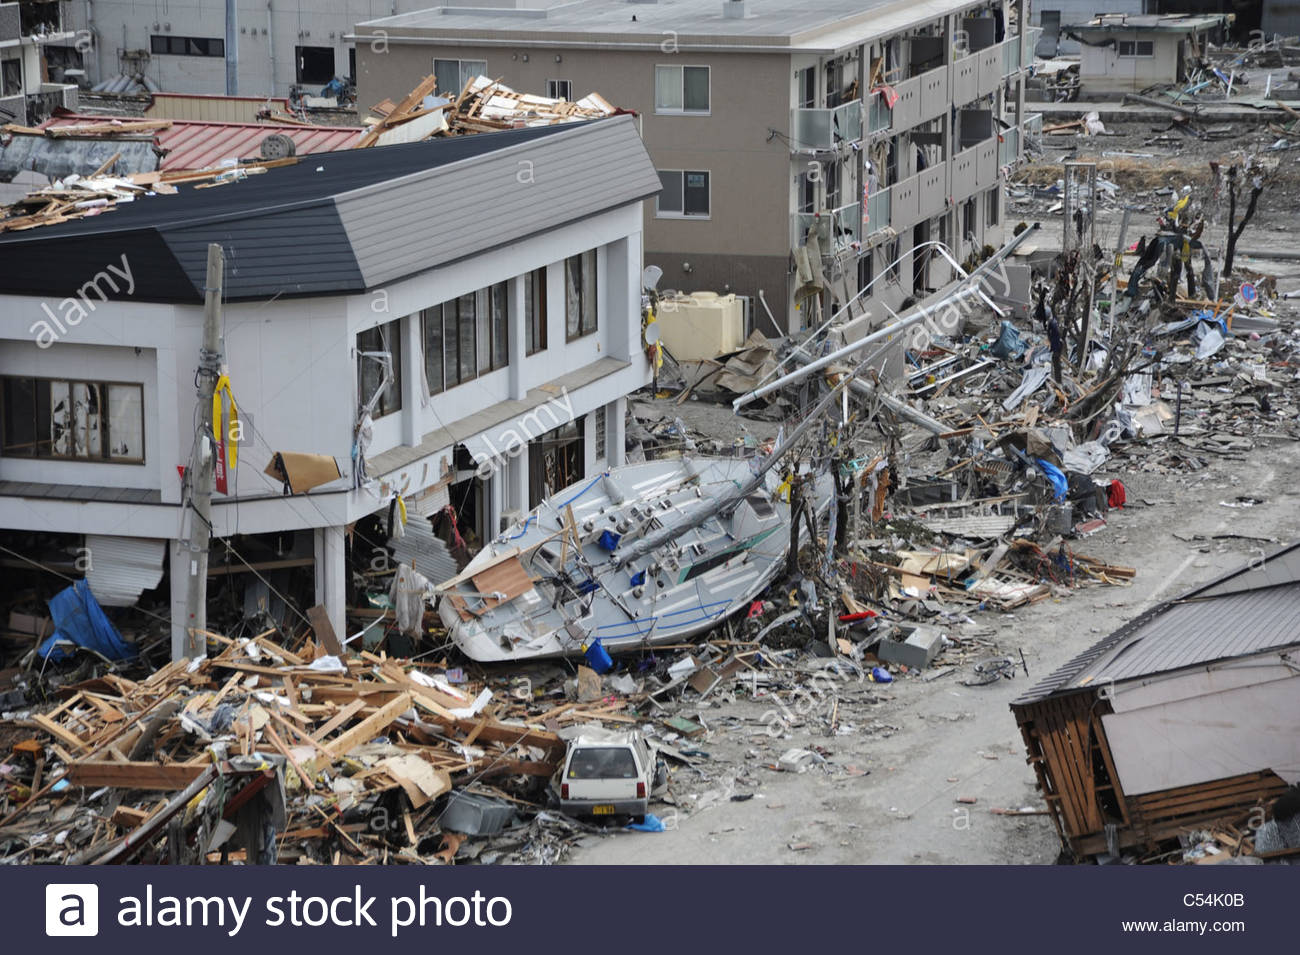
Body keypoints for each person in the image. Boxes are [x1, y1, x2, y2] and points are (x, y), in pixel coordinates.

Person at [1047, 309, 1064, 384]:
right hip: (1057, 346)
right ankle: (1058, 380)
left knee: (1056, 363)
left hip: (1056, 347)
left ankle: (1058, 381)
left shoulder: (1053, 324)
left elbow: (1053, 335)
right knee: (1056, 363)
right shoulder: (1054, 323)